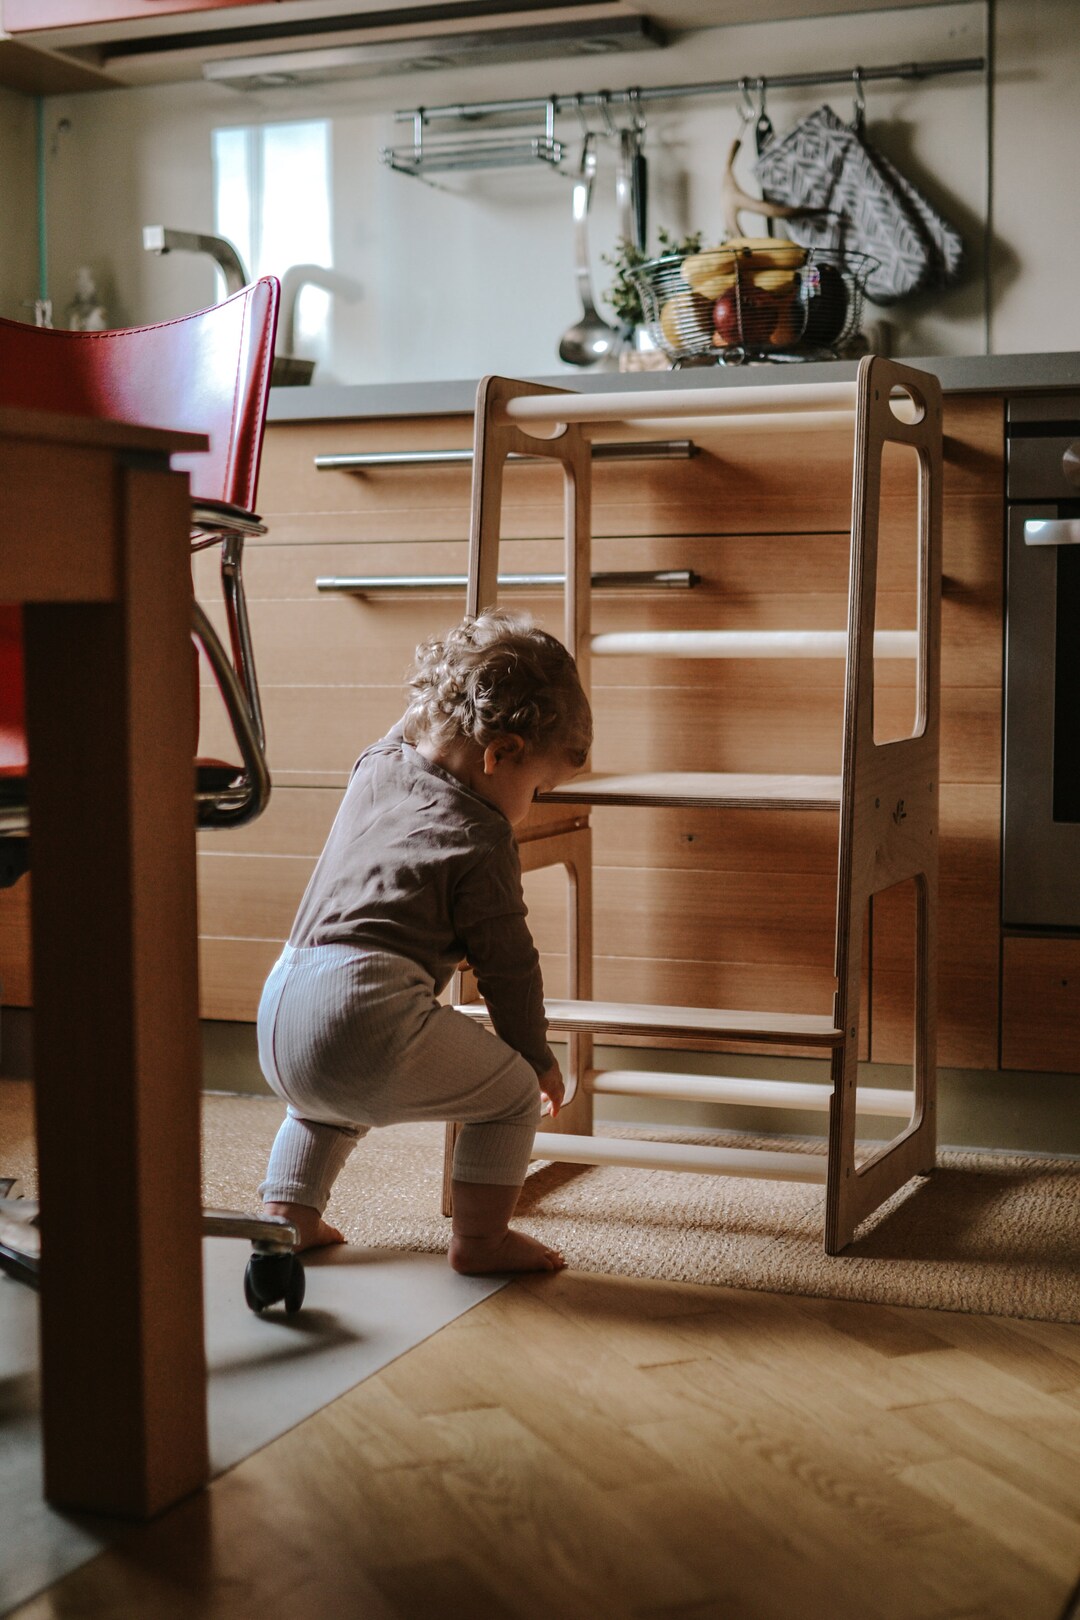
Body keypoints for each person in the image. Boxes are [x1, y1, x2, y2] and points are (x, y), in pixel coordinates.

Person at [256, 608, 592, 1275]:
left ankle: (286, 1218)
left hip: (281, 1008)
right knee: (512, 1095)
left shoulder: (378, 763)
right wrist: (536, 1054)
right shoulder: (484, 835)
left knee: (323, 1103)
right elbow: (509, 966)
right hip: (360, 1010)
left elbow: (422, 721)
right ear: (500, 757)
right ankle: (481, 1240)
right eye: (540, 786)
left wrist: (460, 674)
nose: (535, 801)